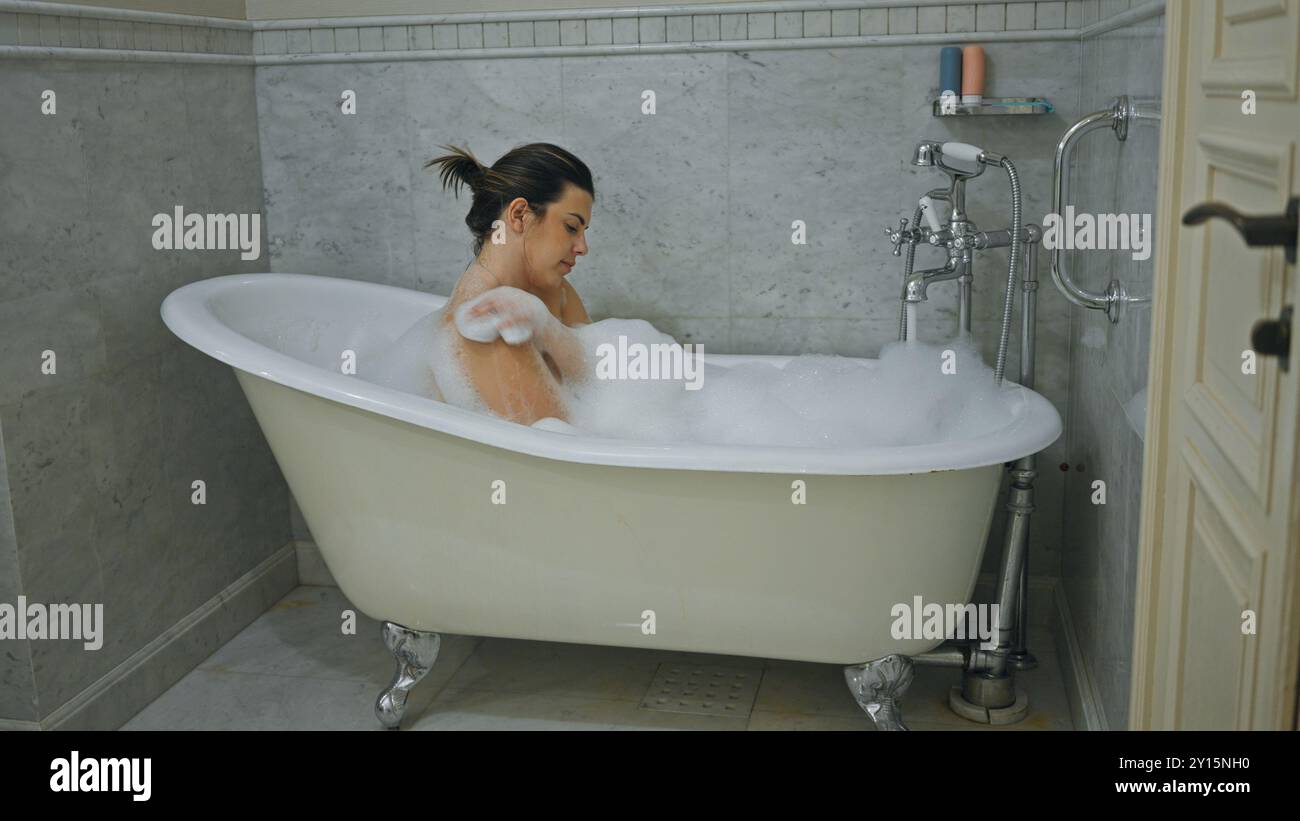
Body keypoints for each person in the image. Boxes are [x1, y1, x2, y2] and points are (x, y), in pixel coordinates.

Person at [425, 142, 596, 425]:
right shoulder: (481, 326)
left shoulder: (553, 291)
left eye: (583, 231)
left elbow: (597, 377)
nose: (583, 247)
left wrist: (550, 331)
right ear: (518, 215)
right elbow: (560, 446)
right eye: (570, 227)